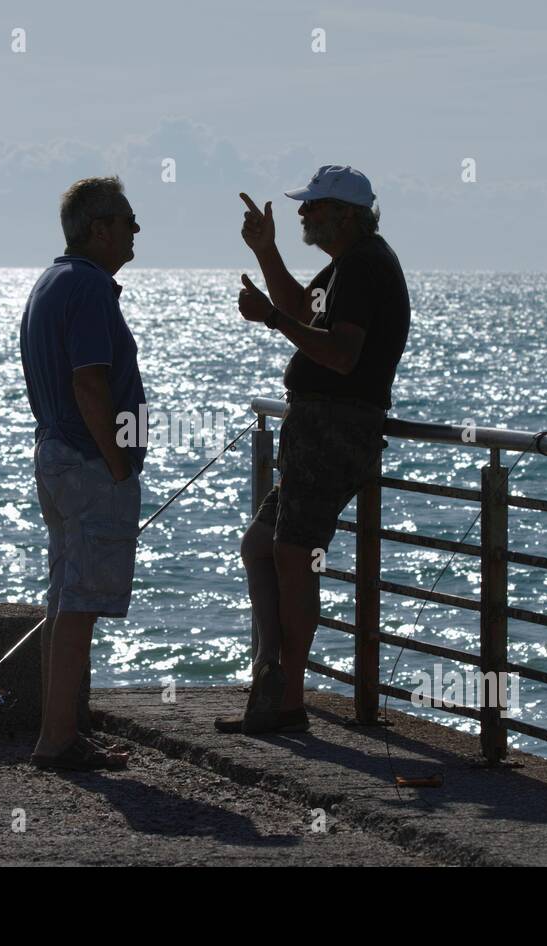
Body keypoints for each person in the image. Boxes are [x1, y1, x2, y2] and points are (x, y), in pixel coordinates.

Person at [218, 164, 411, 734]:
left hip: (335, 426)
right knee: (263, 546)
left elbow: (343, 355)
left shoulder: (368, 265)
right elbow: (306, 311)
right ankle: (274, 681)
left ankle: (285, 699)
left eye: (314, 206)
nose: (303, 213)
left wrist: (273, 319)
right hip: (316, 425)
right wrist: (267, 252)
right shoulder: (347, 265)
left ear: (346, 214)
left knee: (293, 552)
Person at [19, 176, 144, 770]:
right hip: (89, 463)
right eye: (126, 220)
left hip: (56, 454)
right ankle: (57, 739)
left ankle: (60, 731)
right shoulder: (91, 289)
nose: (135, 230)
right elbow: (90, 383)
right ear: (99, 228)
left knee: (65, 599)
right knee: (78, 606)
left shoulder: (51, 282)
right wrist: (117, 462)